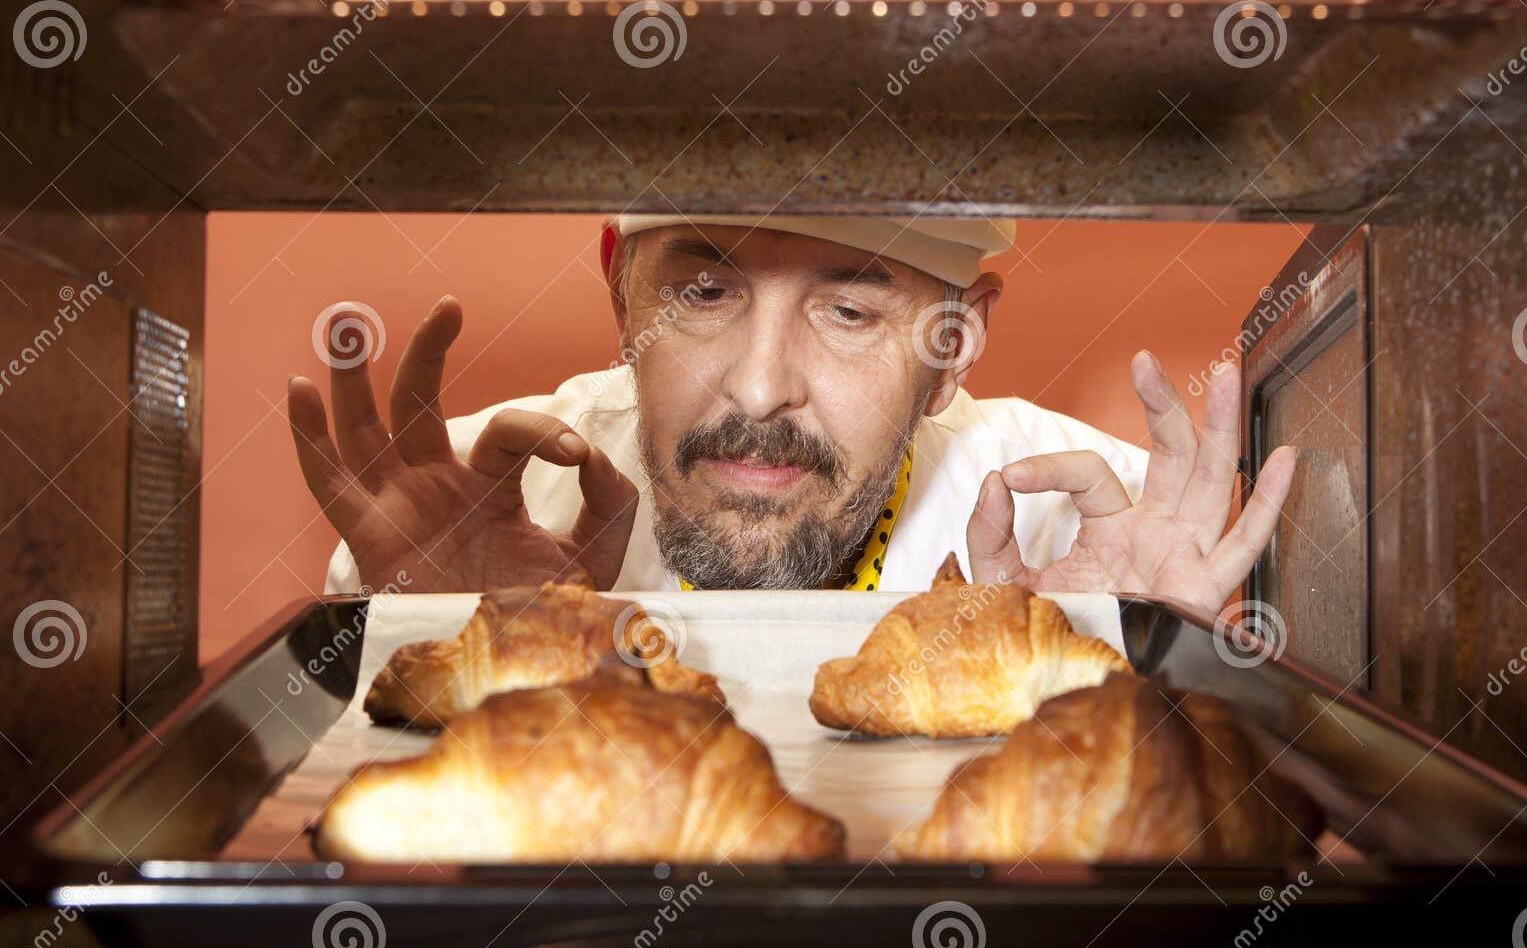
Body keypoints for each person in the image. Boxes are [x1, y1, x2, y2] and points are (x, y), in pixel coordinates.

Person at [289, 214, 1296, 615]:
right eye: (701, 295)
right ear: (620, 300)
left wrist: (1151, 682)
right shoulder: (459, 506)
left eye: (849, 309)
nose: (762, 387)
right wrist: (445, 658)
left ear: (953, 344)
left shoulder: (1108, 524)